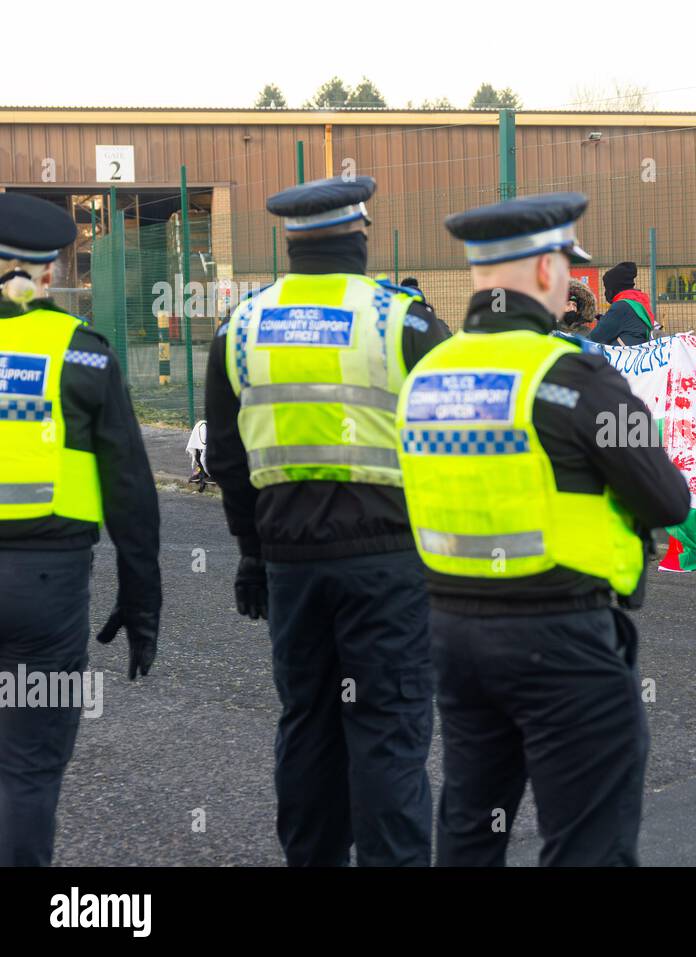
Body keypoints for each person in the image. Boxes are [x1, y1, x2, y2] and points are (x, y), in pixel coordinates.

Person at [396, 192, 690, 866]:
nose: (571, 282)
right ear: (540, 271)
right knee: (587, 840)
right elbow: (668, 498)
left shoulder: (426, 373)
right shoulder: (574, 373)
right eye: (565, 265)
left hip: (453, 634)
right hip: (561, 638)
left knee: (470, 826)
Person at [204, 175, 451, 866]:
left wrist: (252, 553)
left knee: (307, 724)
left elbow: (227, 454)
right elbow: (455, 437)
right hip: (391, 563)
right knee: (388, 731)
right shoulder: (404, 321)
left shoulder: (241, 325)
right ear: (360, 237)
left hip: (291, 563)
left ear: (290, 242)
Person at [0, 193, 162, 866]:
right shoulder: (84, 357)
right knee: (29, 766)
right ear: (50, 272)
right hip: (47, 588)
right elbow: (130, 493)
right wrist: (141, 600)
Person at [588, 261, 659, 346]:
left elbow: (595, 337)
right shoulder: (638, 302)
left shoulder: (621, 306)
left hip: (624, 356)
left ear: (614, 287)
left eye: (606, 287)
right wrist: (603, 318)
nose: (606, 292)